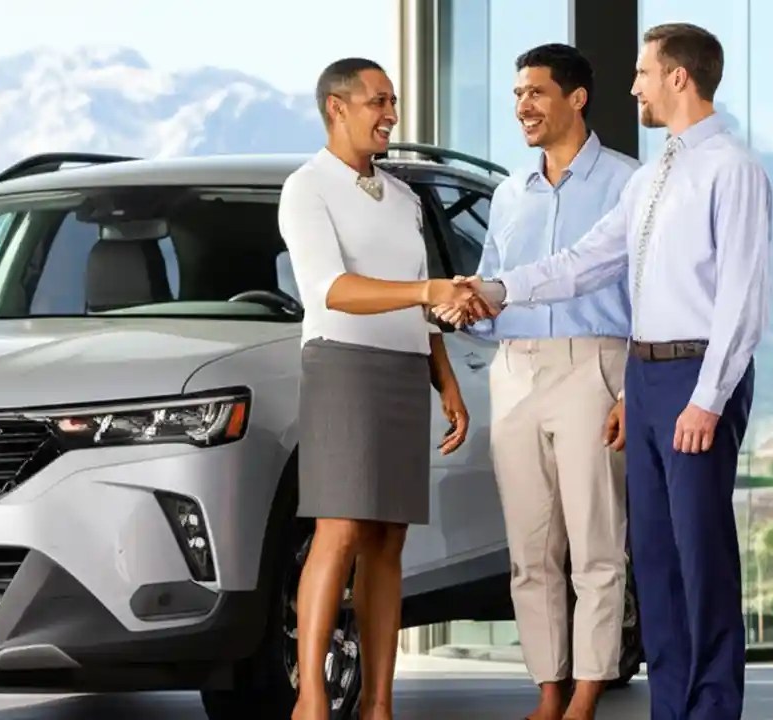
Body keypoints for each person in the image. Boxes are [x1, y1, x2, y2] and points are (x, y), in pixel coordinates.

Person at [440, 23, 770, 719]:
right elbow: (583, 262)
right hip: (646, 379)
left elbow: (743, 296)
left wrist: (708, 400)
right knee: (654, 561)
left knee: (700, 556)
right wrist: (498, 291)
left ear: (679, 78)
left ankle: (711, 710)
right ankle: (671, 707)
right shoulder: (651, 177)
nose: (634, 87)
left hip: (695, 376)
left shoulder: (732, 168)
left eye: (644, 73)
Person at [279, 57, 476, 720]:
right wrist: (425, 292)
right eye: (378, 101)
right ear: (338, 107)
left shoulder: (401, 196)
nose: (390, 113)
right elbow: (330, 289)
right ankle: (311, 696)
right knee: (339, 529)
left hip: (400, 370)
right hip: (343, 365)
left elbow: (421, 302)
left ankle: (379, 704)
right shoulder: (307, 189)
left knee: (388, 538)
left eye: (393, 100)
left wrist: (443, 378)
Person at [463, 43, 639, 720]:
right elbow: (495, 295)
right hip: (515, 370)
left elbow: (646, 290)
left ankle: (590, 687)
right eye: (515, 96)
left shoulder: (629, 183)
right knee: (530, 548)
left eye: (535, 93)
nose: (522, 108)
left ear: (577, 98)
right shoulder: (509, 193)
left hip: (594, 363)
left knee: (597, 541)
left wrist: (632, 390)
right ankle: (548, 688)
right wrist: (465, 308)